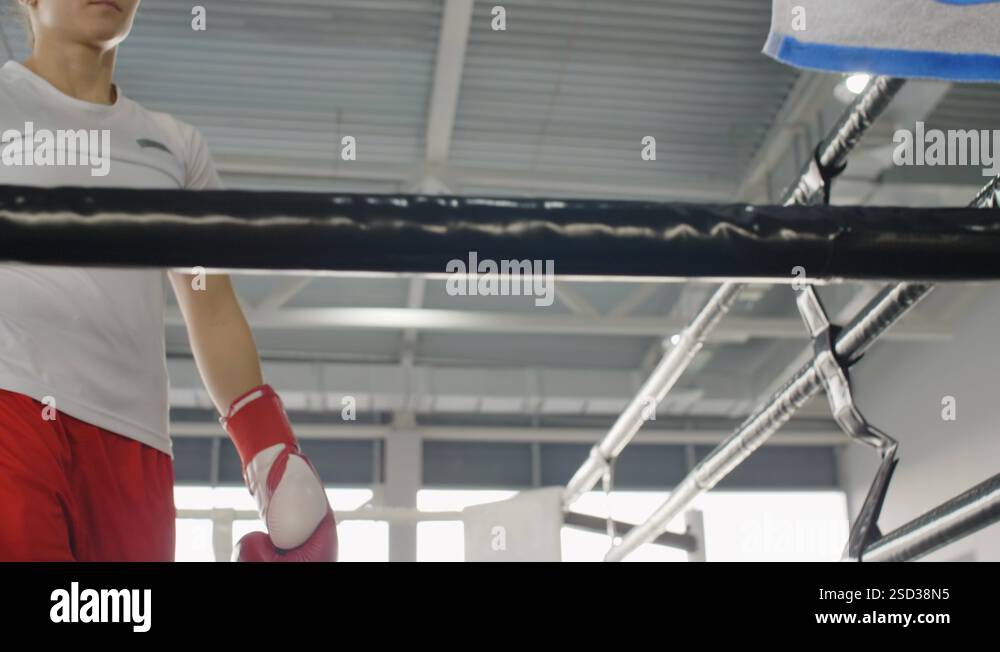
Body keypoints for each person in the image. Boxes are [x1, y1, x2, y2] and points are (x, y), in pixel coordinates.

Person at [0, 0, 337, 561]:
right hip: (13, 407)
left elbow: (212, 307)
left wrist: (271, 455)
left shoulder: (175, 147)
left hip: (136, 444)